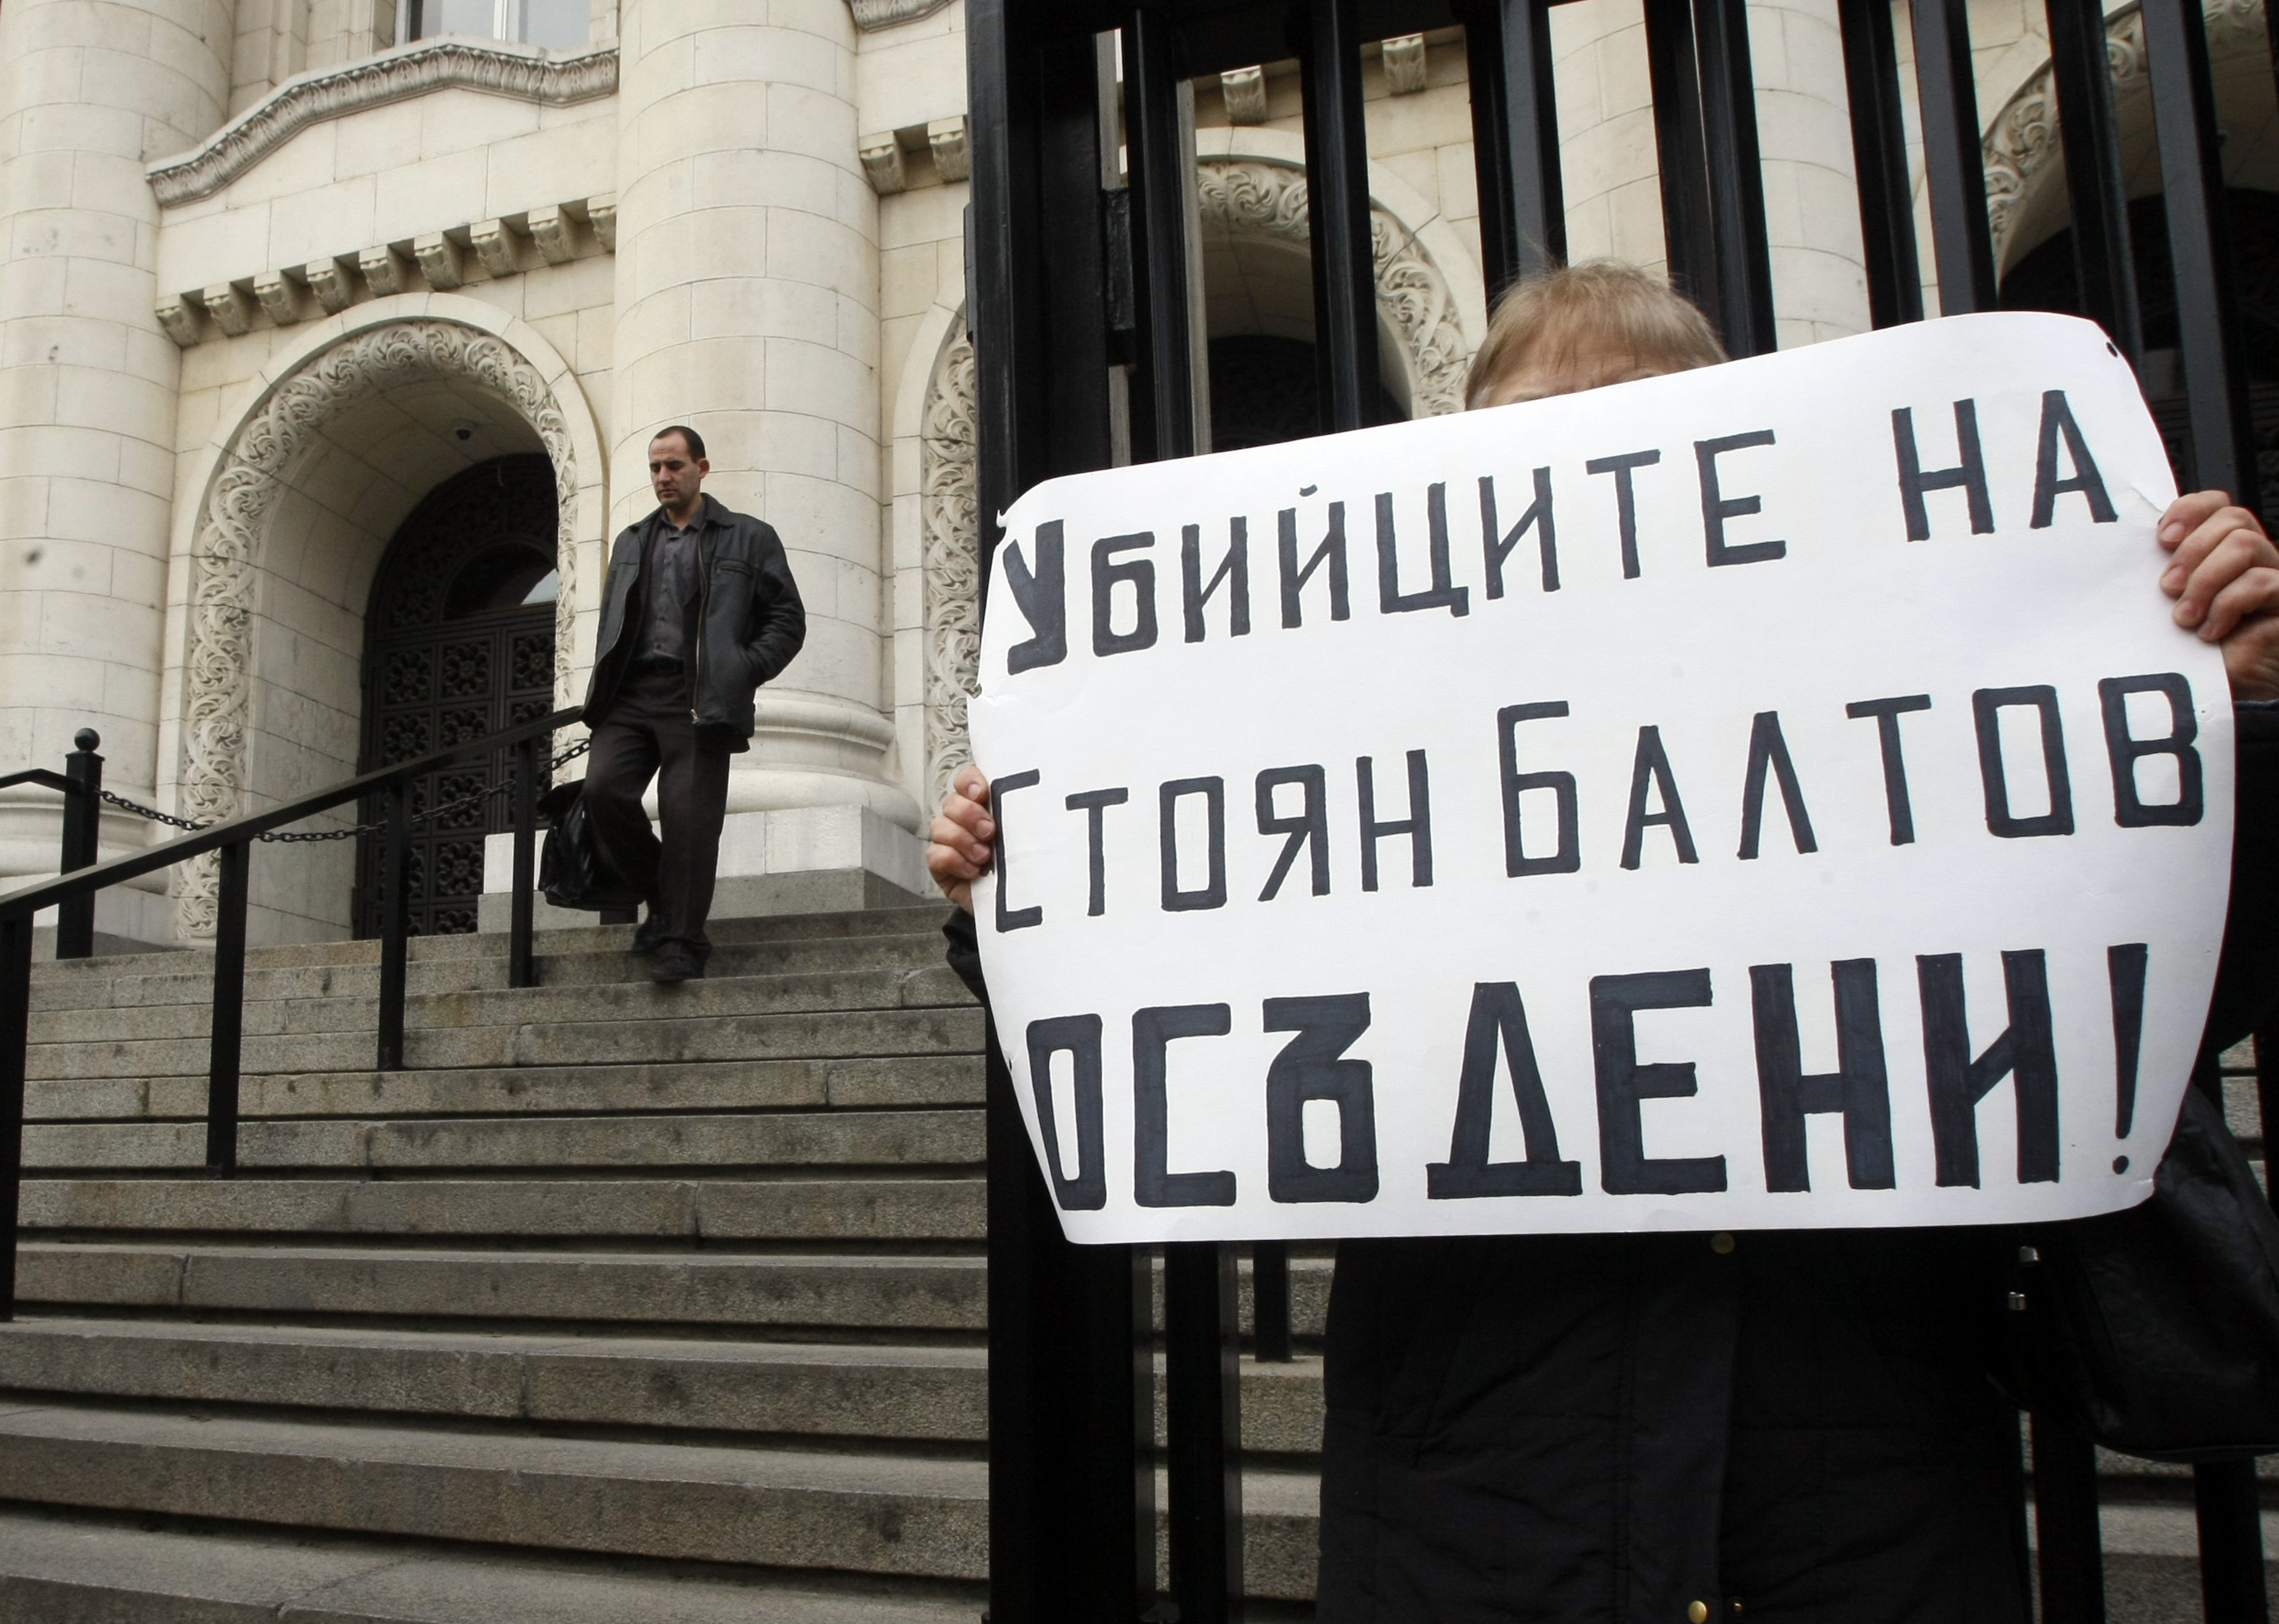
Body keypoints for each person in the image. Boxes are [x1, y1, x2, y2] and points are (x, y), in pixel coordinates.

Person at [924, 262, 2279, 1621]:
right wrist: (1035, 881)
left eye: (1632, 441)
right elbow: (1189, 1009)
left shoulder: (1906, 740)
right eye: (1536, 445)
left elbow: (2160, 993)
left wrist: (2216, 721)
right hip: (1481, 1523)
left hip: (1854, 1509)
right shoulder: (1378, 760)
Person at [580, 425, 806, 983]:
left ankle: (682, 940)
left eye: (674, 466)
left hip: (698, 698)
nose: (663, 476)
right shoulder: (631, 540)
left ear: (702, 468)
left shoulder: (748, 537)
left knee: (689, 822)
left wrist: (740, 668)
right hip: (630, 696)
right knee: (602, 791)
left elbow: (787, 620)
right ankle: (664, 894)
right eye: (655, 467)